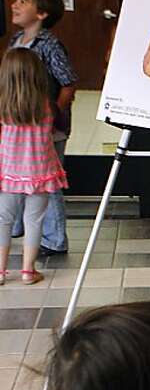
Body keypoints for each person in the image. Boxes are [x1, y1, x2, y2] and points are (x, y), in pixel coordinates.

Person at [9, 0, 76, 256]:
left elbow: (68, 83)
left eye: (22, 2)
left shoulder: (49, 45)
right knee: (18, 174)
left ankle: (54, 239)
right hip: (20, 127)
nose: (14, 5)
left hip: (46, 128)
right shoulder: (16, 41)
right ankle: (17, 227)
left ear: (41, 13)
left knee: (48, 182)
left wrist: (53, 118)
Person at [0, 48, 68, 285]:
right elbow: (57, 128)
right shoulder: (47, 106)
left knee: (3, 220)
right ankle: (28, 271)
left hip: (9, 175)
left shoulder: (3, 107)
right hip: (40, 173)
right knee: (34, 220)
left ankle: (0, 271)